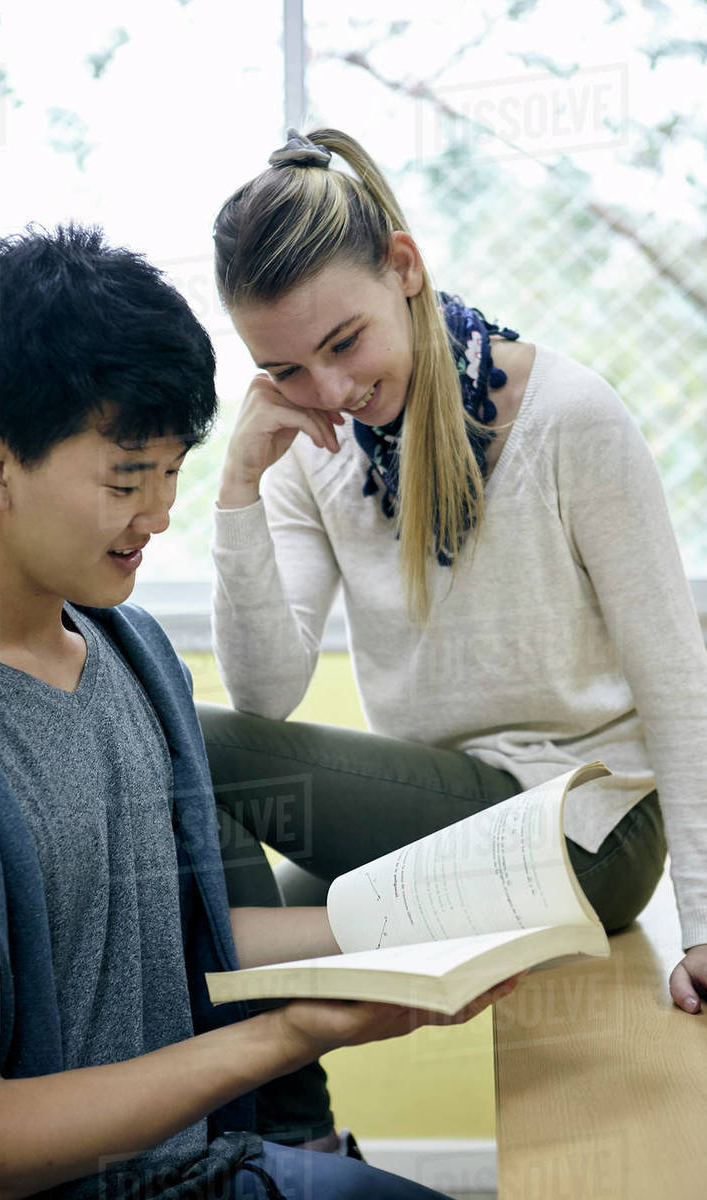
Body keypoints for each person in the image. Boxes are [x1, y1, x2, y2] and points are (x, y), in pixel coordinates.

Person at [0, 225, 522, 1200]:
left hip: (205, 1165)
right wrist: (286, 1033)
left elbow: (183, 941)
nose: (157, 513)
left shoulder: (131, 654)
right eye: (124, 478)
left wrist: (432, 926)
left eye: (171, 471)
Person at [206, 127, 707, 1033]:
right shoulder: (308, 451)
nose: (328, 389)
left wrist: (706, 925)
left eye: (344, 342)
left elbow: (678, 678)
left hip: (583, 833)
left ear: (403, 265)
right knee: (212, 957)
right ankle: (298, 1154)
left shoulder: (570, 418)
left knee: (186, 741)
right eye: (283, 369)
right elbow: (266, 691)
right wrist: (238, 487)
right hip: (443, 819)